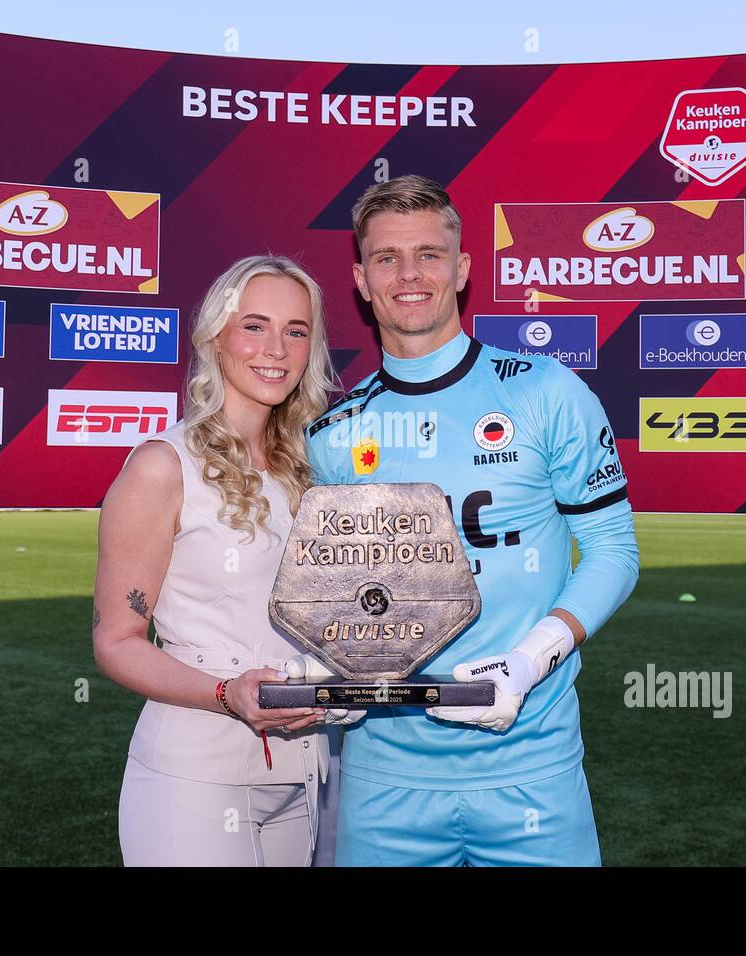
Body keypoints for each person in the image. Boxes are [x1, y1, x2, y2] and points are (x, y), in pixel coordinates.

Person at [303, 175, 640, 866]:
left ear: (461, 269)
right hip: (384, 782)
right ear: (362, 281)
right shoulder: (333, 433)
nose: (410, 274)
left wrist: (527, 662)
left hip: (532, 773)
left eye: (429, 253)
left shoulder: (547, 391)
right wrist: (330, 672)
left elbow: (613, 551)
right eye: (387, 258)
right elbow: (331, 598)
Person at [93, 254, 343, 866]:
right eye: (254, 325)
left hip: (310, 772)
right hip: (194, 777)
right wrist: (227, 692)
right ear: (217, 337)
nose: (276, 348)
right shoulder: (162, 465)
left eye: (296, 330)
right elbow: (117, 642)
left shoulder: (317, 468)